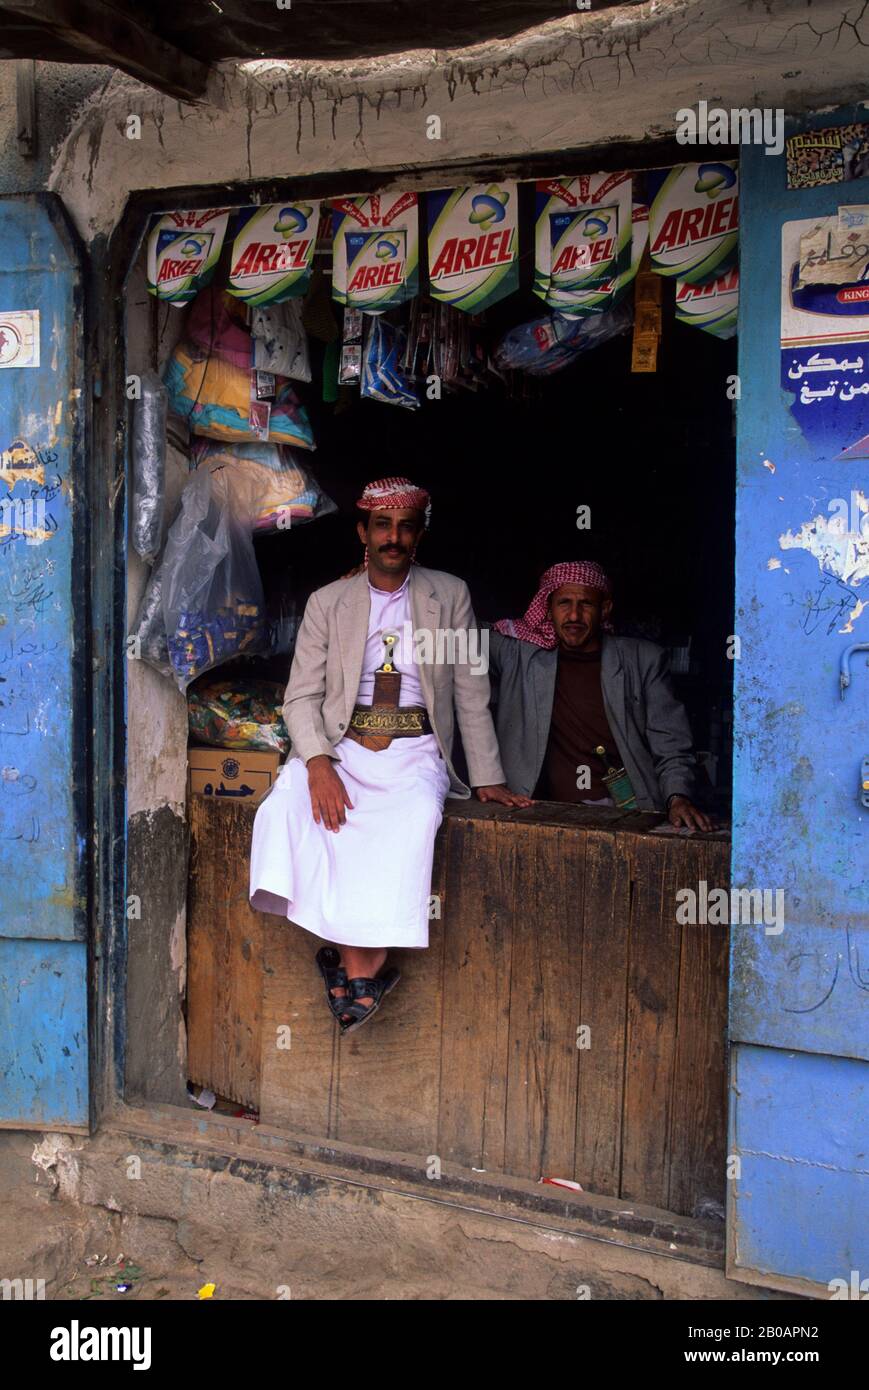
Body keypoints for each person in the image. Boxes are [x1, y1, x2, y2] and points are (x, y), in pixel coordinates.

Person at [249, 476, 532, 1034]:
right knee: (285, 808)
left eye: (406, 527)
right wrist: (318, 763)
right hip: (343, 744)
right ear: (363, 531)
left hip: (415, 748)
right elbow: (301, 697)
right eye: (383, 526)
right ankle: (362, 965)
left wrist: (487, 777)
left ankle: (354, 962)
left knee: (413, 818)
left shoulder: (448, 595)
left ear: (420, 534)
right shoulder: (328, 603)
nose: (394, 538)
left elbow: (472, 691)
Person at [489, 560, 715, 830]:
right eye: (563, 603)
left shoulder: (643, 660)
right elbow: (453, 632)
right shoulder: (520, 654)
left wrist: (677, 798)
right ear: (547, 609)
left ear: (604, 609)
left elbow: (671, 744)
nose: (573, 616)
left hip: (629, 811)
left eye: (585, 604)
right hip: (543, 811)